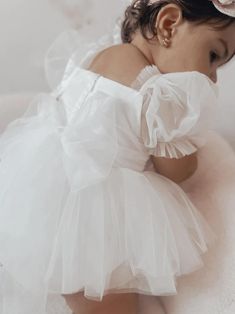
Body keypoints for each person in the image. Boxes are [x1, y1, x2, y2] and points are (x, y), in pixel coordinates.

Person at [0, 0, 235, 314]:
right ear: (168, 25)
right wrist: (189, 143)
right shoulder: (157, 94)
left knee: (53, 282)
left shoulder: (98, 53)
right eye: (213, 56)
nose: (213, 78)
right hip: (95, 211)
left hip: (40, 187)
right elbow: (178, 171)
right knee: (110, 299)